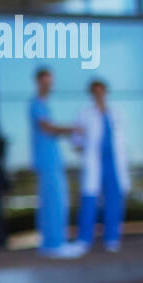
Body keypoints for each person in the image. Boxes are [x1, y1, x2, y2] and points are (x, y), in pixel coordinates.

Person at [29, 68, 86, 258]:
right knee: (53, 202)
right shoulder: (36, 105)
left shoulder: (45, 105)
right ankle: (53, 244)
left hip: (52, 161)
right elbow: (47, 128)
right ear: (38, 82)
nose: (48, 86)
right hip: (47, 163)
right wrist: (73, 129)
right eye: (45, 83)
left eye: (50, 83)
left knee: (57, 201)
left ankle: (55, 242)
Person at [73, 78, 130, 252]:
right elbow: (76, 140)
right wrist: (83, 147)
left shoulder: (116, 113)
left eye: (101, 91)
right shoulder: (84, 114)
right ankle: (84, 239)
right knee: (89, 200)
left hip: (114, 163)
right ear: (91, 94)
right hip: (95, 162)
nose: (98, 95)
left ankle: (112, 238)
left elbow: (121, 141)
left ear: (105, 92)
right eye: (95, 92)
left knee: (114, 200)